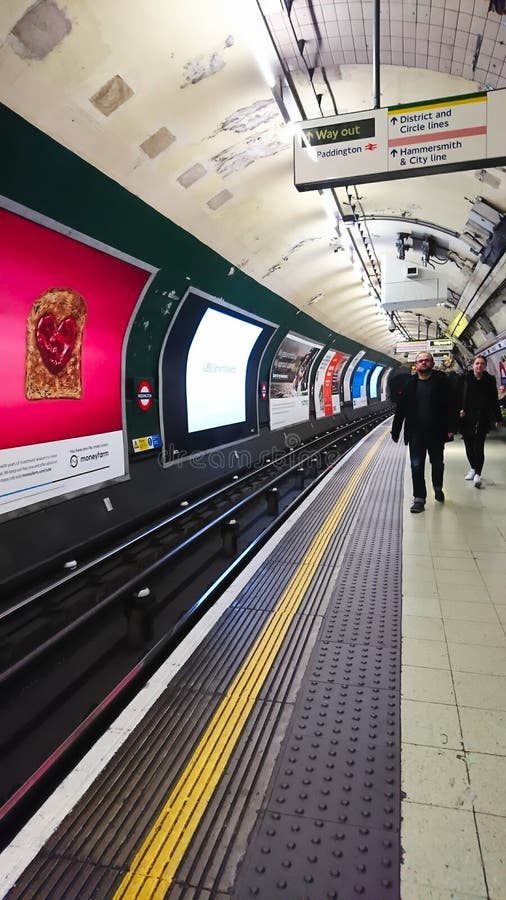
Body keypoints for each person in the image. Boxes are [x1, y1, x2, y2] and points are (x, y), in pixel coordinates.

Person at [391, 351, 454, 513]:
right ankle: (419, 498)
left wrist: (451, 428)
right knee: (416, 465)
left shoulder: (442, 381)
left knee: (437, 463)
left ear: (432, 363)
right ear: (416, 365)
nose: (423, 363)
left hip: (436, 432)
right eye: (420, 361)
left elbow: (450, 406)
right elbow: (401, 409)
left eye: (427, 360)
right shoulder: (410, 384)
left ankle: (438, 487)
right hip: (416, 432)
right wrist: (396, 430)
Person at [457, 354, 502, 488]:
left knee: (479, 446)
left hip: (482, 417)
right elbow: (458, 396)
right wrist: (459, 410)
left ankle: (478, 474)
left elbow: (494, 400)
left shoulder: (490, 380)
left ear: (485, 366)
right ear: (473, 365)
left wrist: (498, 418)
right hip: (466, 417)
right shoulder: (465, 378)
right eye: (477, 363)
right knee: (469, 446)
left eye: (482, 364)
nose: (479, 366)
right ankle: (473, 468)